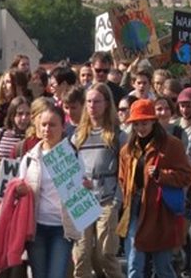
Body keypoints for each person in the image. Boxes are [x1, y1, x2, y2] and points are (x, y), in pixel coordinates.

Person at [118, 99, 191, 278]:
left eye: (144, 123)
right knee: (134, 264)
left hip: (161, 212)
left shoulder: (172, 144)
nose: (140, 128)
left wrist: (162, 175)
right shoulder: (127, 150)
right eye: (136, 124)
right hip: (136, 208)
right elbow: (122, 179)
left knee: (163, 267)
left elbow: (186, 176)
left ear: (153, 121)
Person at [16, 103, 81, 278]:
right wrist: (19, 190)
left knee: (56, 275)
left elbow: (81, 194)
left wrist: (85, 186)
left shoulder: (72, 156)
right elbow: (15, 190)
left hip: (62, 229)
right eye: (43, 124)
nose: (47, 129)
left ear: (63, 126)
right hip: (36, 228)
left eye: (52, 125)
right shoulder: (30, 158)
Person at [71, 85, 125, 278]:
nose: (92, 106)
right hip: (83, 198)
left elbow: (124, 172)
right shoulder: (78, 135)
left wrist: (118, 200)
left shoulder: (118, 135)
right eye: (89, 101)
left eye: (97, 101)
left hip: (107, 197)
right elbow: (70, 168)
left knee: (105, 254)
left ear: (107, 104)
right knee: (81, 255)